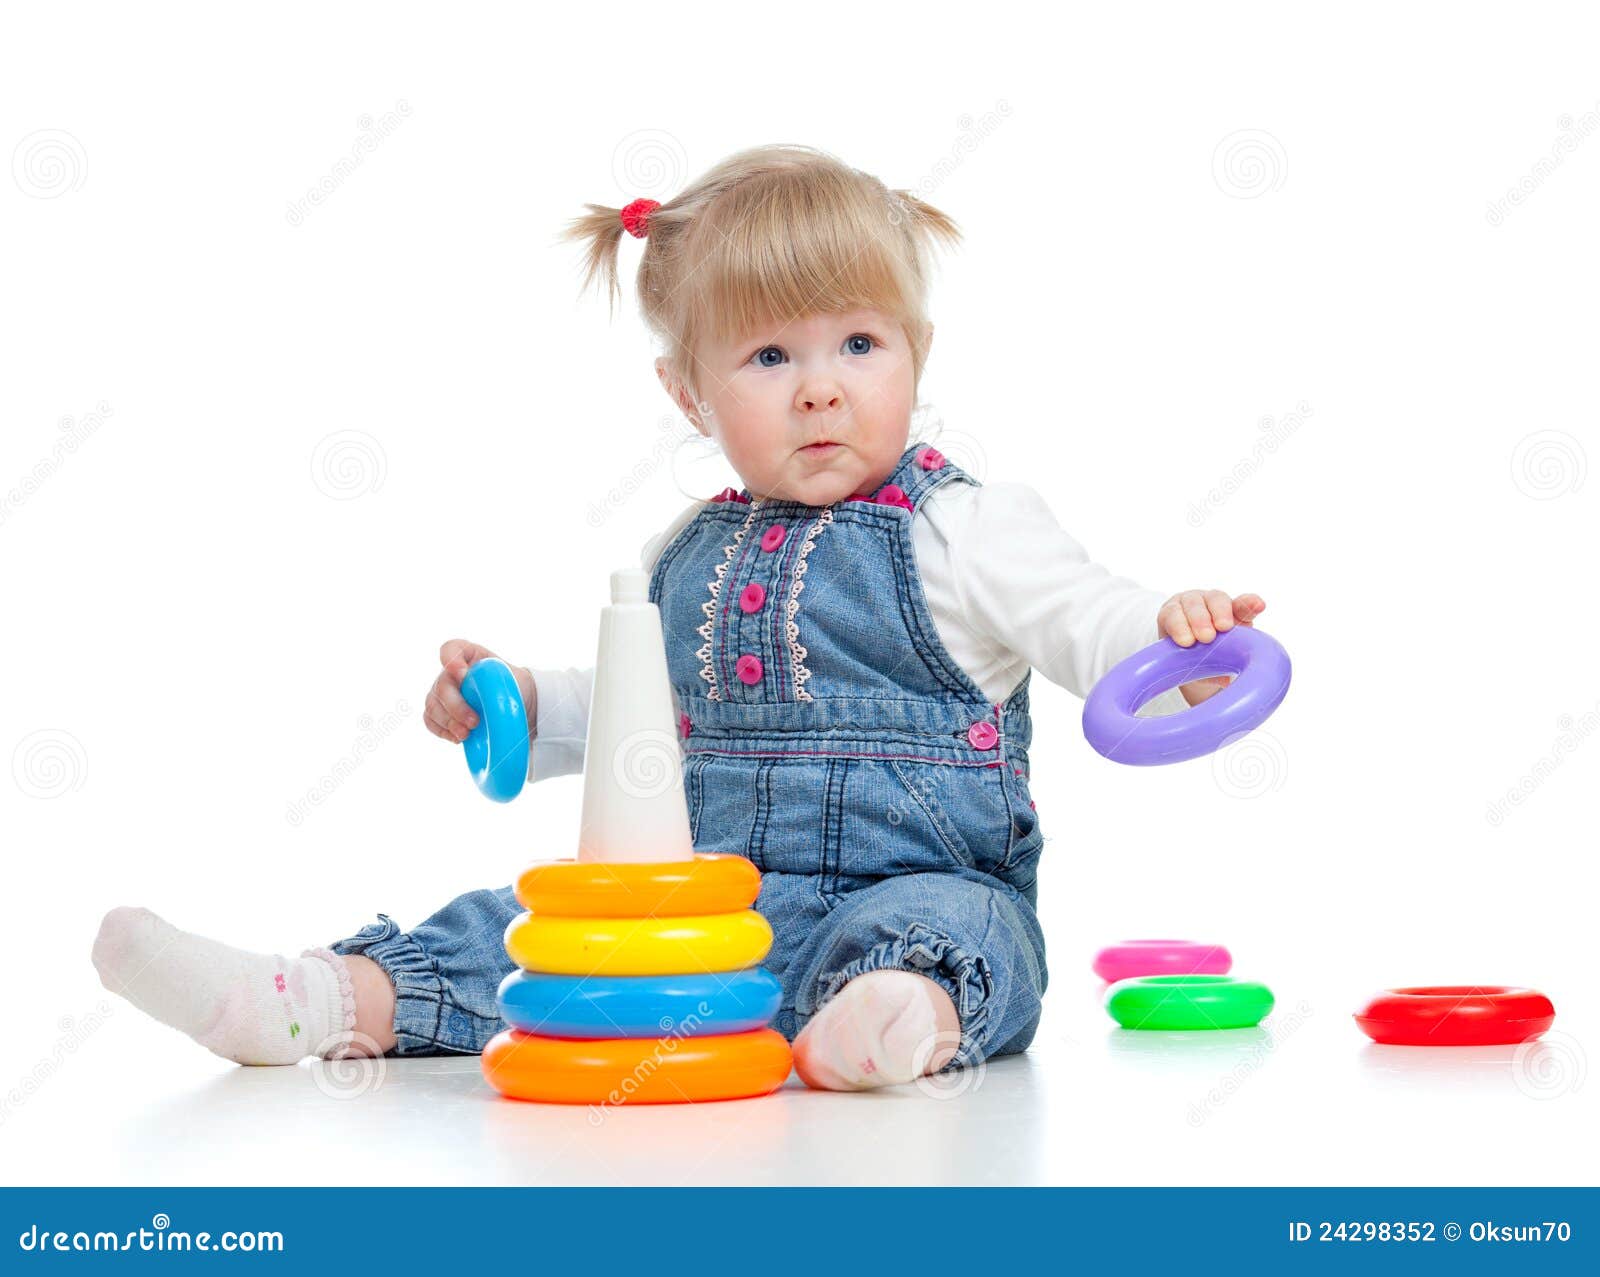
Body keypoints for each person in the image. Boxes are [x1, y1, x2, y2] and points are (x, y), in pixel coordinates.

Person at [92, 143, 1265, 1091]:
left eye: (859, 343)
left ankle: (893, 1019)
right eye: (768, 355)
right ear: (686, 391)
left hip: (911, 887)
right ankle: (307, 999)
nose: (821, 386)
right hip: (707, 914)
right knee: (527, 927)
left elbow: (1085, 615)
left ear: (916, 352)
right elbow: (645, 720)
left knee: (961, 931)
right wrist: (522, 700)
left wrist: (1173, 644)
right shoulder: (682, 554)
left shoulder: (967, 529)